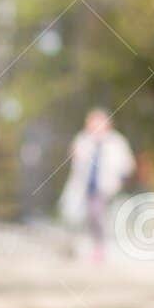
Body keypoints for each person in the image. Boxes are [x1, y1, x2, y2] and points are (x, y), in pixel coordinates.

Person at [58, 108, 135, 262]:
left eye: (98, 122)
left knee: (96, 215)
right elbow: (74, 159)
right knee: (71, 214)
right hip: (82, 186)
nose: (95, 126)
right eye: (92, 122)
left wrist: (119, 180)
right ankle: (72, 246)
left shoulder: (116, 142)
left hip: (104, 188)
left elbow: (128, 164)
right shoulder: (82, 139)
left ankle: (98, 249)